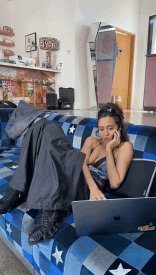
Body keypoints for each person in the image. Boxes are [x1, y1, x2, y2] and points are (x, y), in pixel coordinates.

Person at [0, 102, 133, 245]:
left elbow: (114, 183)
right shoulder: (92, 141)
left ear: (119, 127)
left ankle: (50, 213)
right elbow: (79, 162)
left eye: (110, 128)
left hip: (86, 188)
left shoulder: (125, 147)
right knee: (42, 125)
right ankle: (14, 193)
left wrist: (108, 151)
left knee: (53, 139)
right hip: (76, 175)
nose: (105, 133)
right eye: (101, 129)